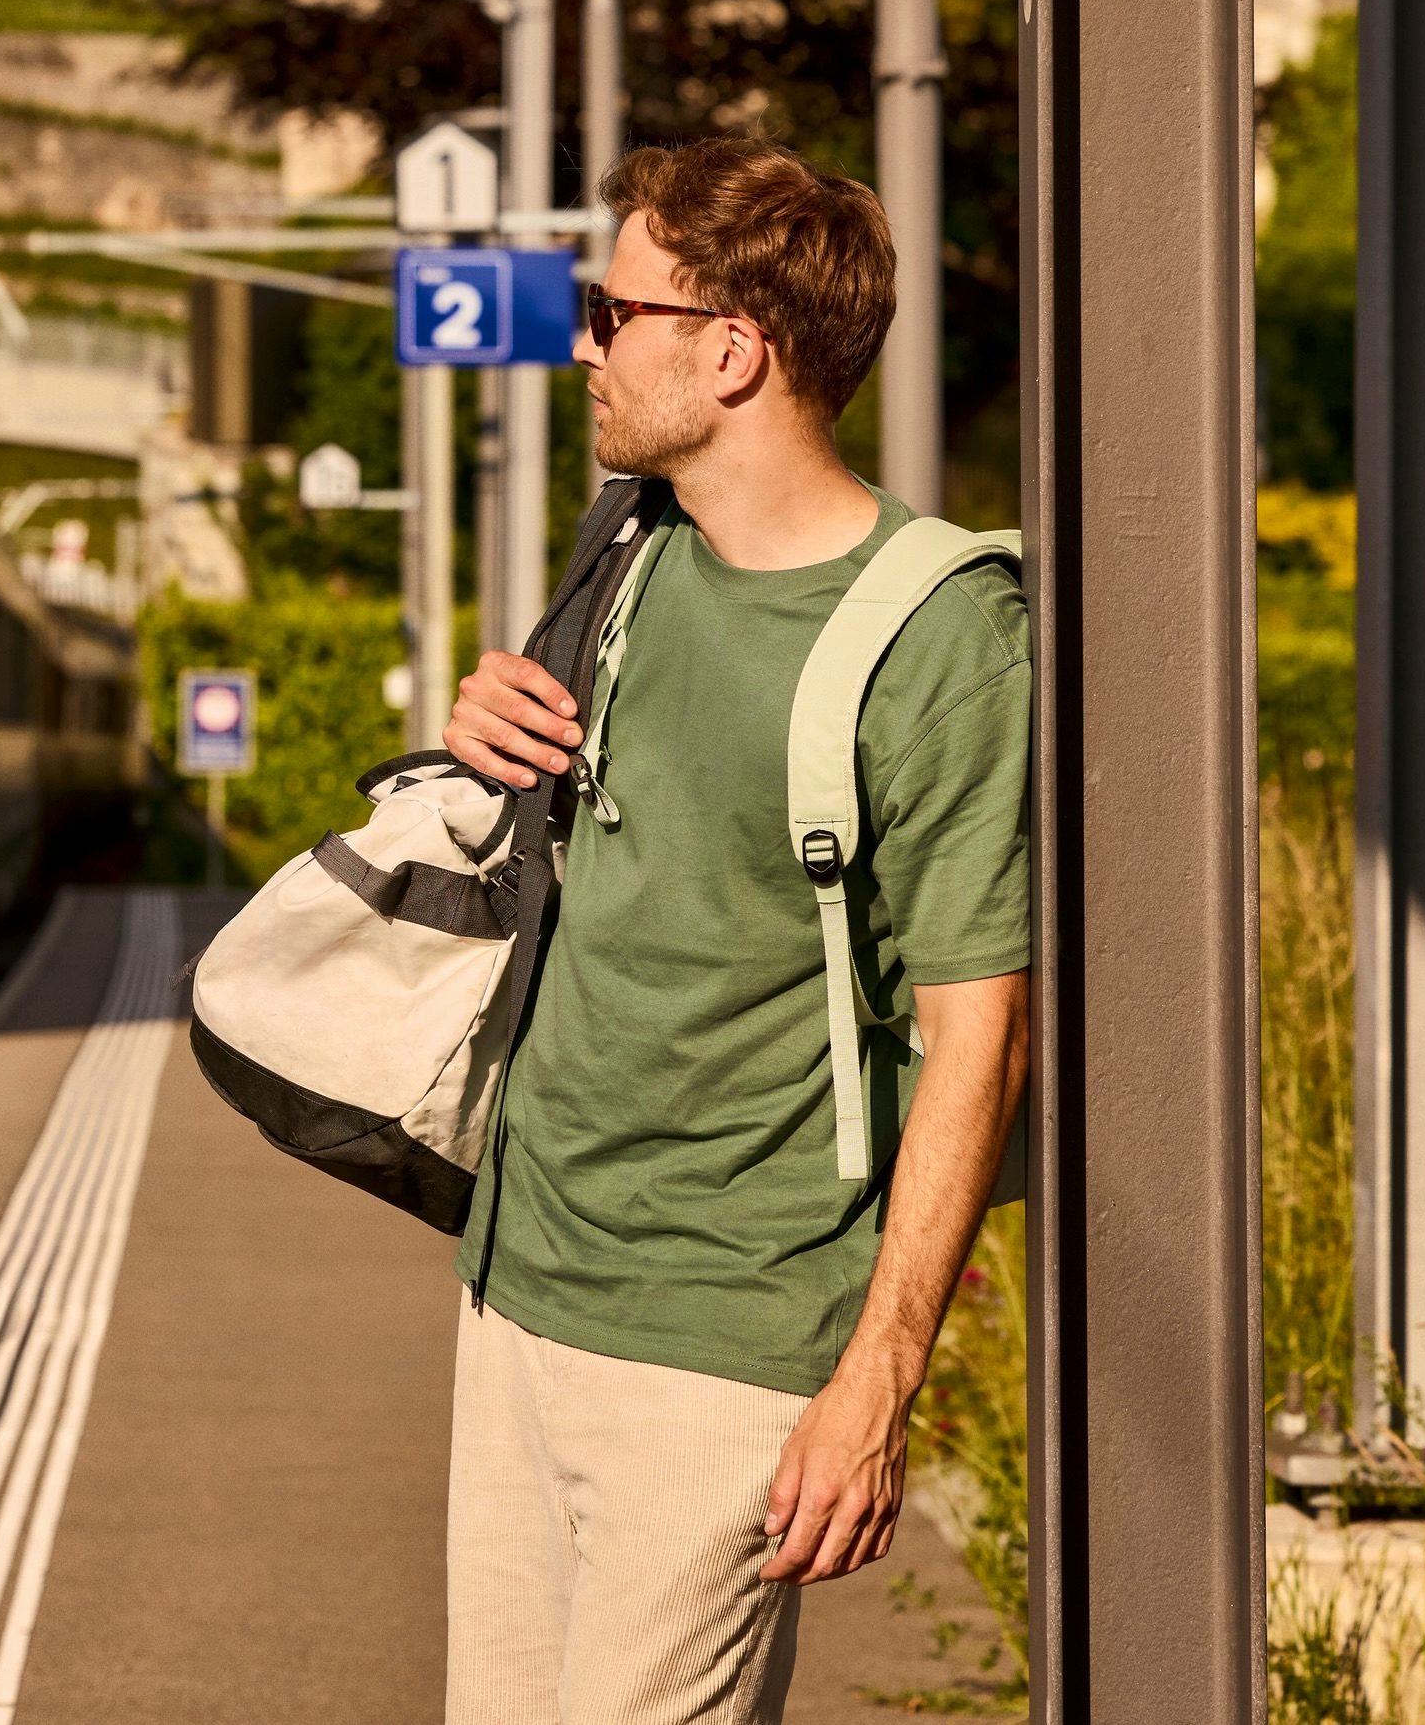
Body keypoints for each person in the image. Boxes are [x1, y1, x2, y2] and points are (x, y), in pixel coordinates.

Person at [438, 137, 1032, 1724]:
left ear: (731, 350)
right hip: (515, 1297)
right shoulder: (629, 549)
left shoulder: (941, 637)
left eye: (607, 309)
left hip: (719, 1344)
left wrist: (878, 1380)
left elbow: (985, 1029)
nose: (581, 345)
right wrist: (488, 716)